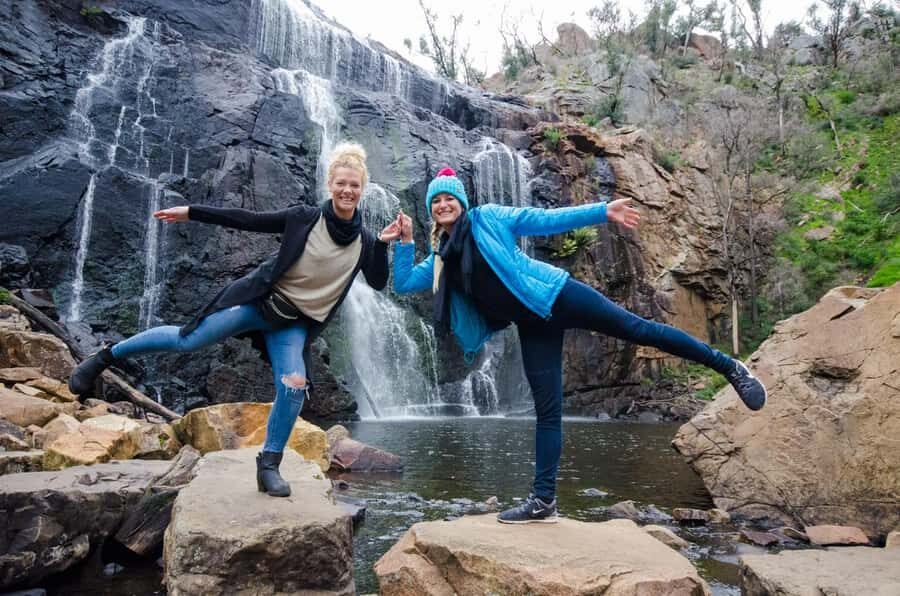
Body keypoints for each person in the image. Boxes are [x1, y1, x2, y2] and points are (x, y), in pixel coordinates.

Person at [393, 167, 767, 524]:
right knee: (547, 412)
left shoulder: (488, 218)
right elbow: (404, 282)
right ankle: (544, 501)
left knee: (639, 329)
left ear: (461, 202)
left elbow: (544, 219)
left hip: (558, 294)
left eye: (449, 198)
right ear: (430, 210)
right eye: (436, 200)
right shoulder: (442, 259)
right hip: (532, 325)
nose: (443, 204)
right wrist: (406, 242)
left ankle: (730, 367)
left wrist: (602, 211)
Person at [68, 142, 404, 497]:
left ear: (362, 189)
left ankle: (269, 465)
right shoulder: (305, 217)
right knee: (189, 339)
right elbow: (248, 220)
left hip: (292, 325)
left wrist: (382, 245)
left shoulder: (365, 241)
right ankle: (104, 357)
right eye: (341, 183)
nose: (347, 190)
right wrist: (192, 212)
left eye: (354, 185)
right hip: (258, 303)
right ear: (330, 185)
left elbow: (378, 281)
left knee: (293, 386)